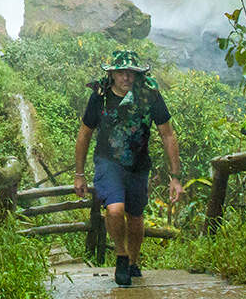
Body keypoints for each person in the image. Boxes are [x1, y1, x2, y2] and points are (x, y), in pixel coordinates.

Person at [73, 49, 184, 287]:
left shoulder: (149, 96)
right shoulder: (100, 98)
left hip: (138, 166)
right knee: (114, 210)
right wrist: (79, 174)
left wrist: (175, 176)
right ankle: (121, 257)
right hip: (107, 163)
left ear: (137, 75)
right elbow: (84, 134)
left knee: (135, 217)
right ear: (112, 74)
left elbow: (167, 134)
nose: (126, 78)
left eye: (131, 73)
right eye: (121, 73)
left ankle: (133, 261)